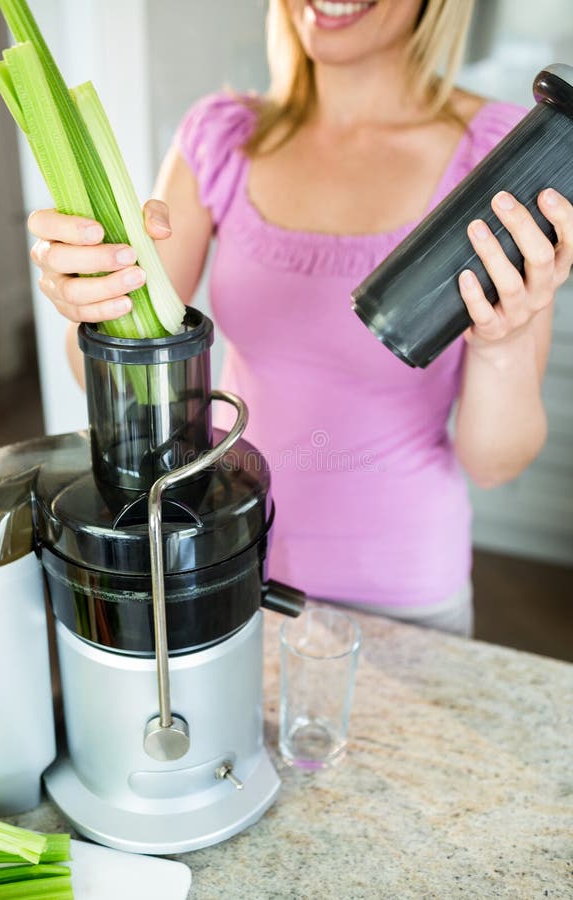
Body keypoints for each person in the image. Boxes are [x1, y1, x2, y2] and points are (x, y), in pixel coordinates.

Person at [28, 0, 573, 636]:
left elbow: (495, 464)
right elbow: (121, 383)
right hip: (227, 568)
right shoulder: (220, 138)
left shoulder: (507, 156)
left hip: (403, 594)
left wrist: (504, 343)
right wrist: (93, 301)